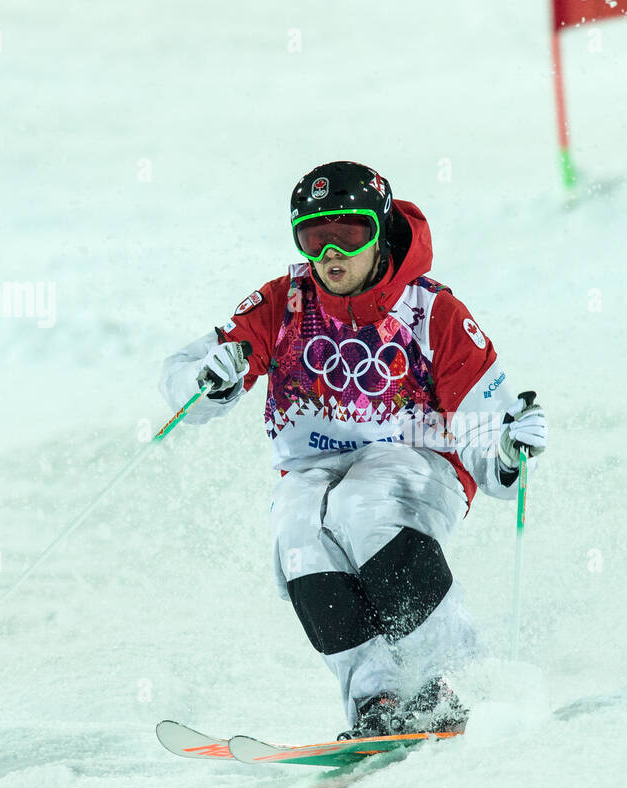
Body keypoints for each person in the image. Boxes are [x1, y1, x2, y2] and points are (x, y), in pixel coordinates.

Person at [158, 161, 548, 739]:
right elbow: (186, 379)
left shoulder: (431, 311)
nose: (332, 254)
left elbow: (489, 438)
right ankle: (377, 698)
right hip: (313, 467)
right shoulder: (285, 301)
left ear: (381, 230)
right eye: (315, 238)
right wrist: (208, 379)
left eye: (350, 233)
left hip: (419, 460)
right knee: (297, 533)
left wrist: (510, 451)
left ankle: (459, 679)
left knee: (362, 505)